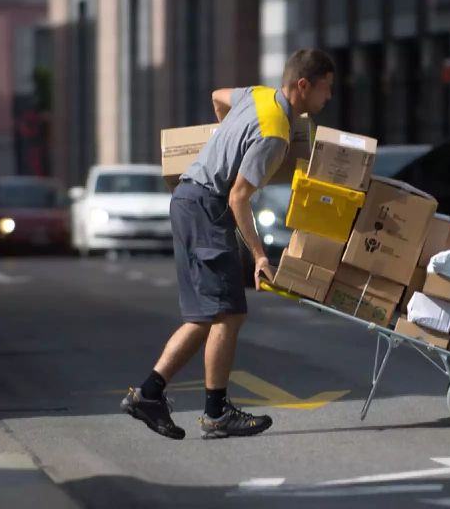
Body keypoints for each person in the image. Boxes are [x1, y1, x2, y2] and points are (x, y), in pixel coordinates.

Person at [121, 49, 335, 440]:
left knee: (207, 316)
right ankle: (215, 413)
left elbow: (218, 96)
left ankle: (150, 395)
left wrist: (226, 139)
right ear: (303, 86)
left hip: (188, 199)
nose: (328, 98)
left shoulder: (259, 96)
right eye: (326, 89)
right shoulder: (275, 135)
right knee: (227, 313)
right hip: (207, 206)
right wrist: (259, 256)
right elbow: (239, 196)